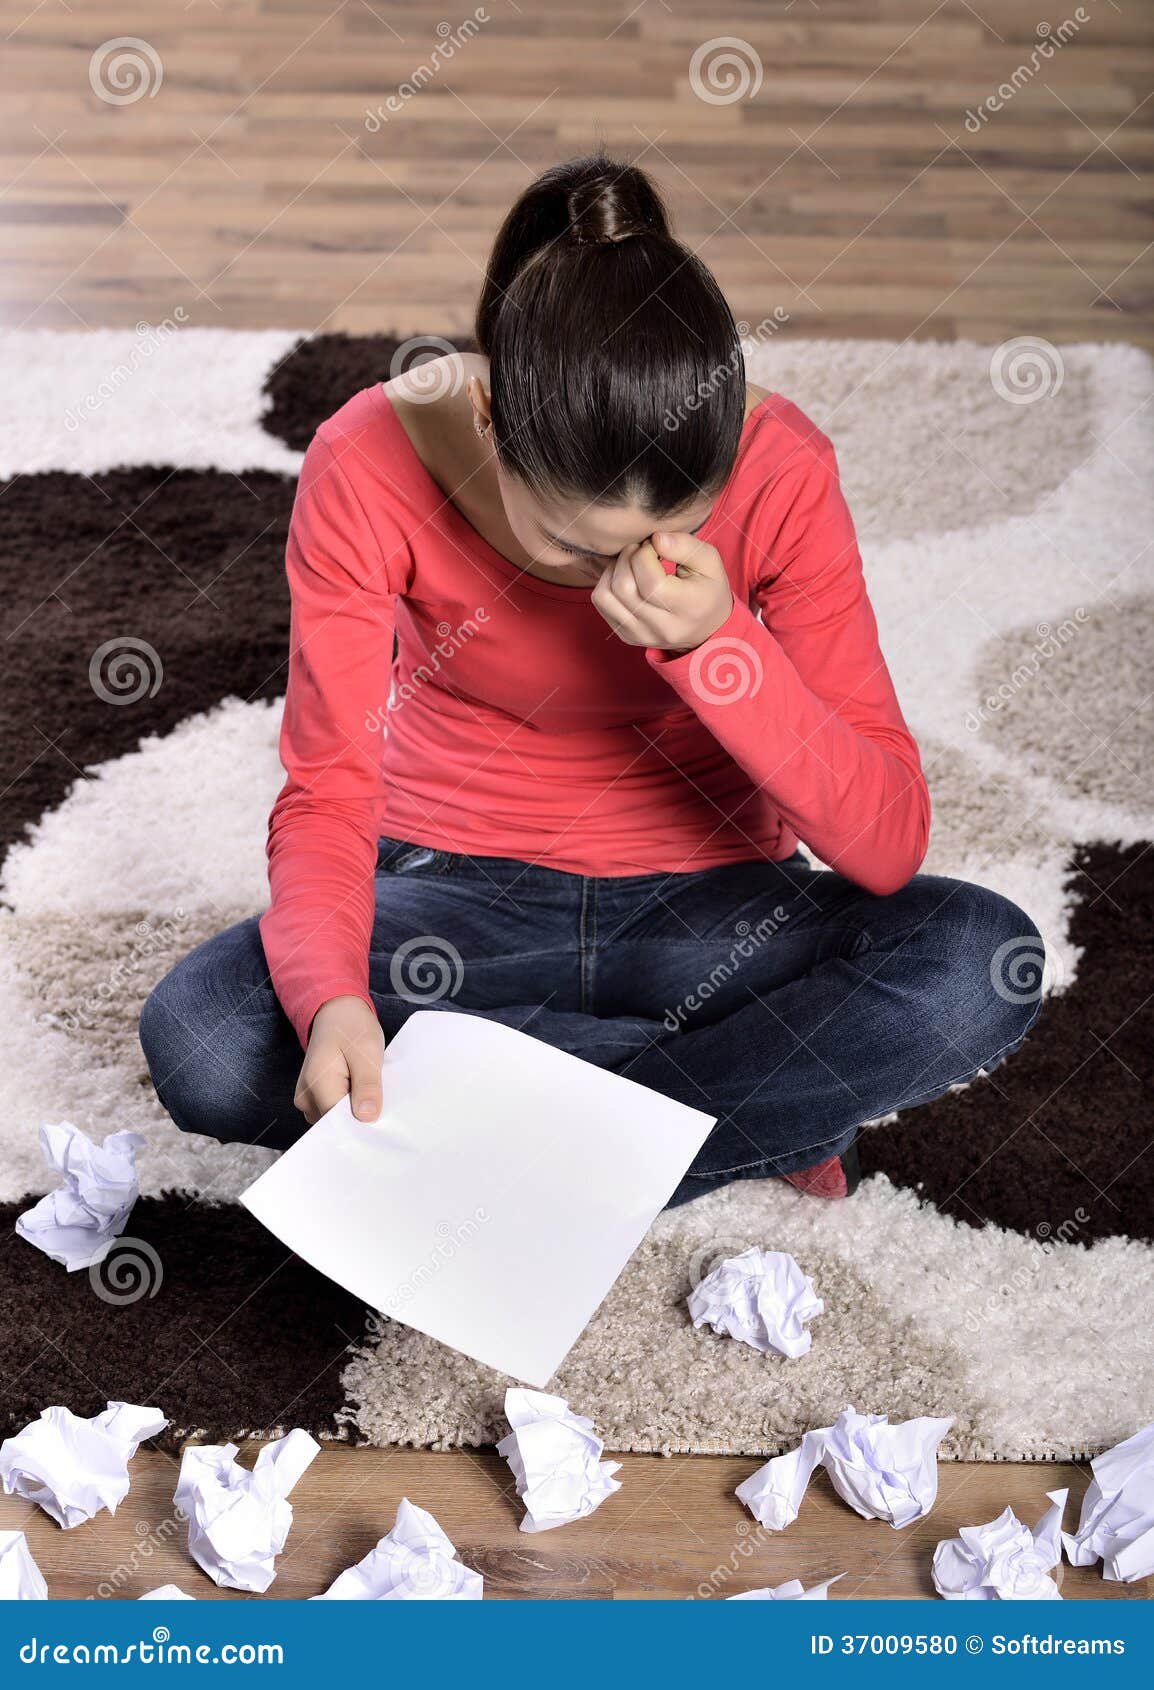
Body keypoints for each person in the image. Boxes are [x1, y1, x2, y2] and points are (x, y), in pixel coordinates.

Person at [140, 154, 1043, 1207]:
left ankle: (529, 1135)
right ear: (490, 418)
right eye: (576, 545)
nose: (626, 576)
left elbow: (886, 844)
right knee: (203, 1037)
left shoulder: (783, 466)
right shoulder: (370, 456)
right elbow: (328, 786)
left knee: (977, 961)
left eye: (676, 532)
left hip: (713, 914)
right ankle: (737, 1113)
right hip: (448, 898)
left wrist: (719, 646)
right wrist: (334, 1001)